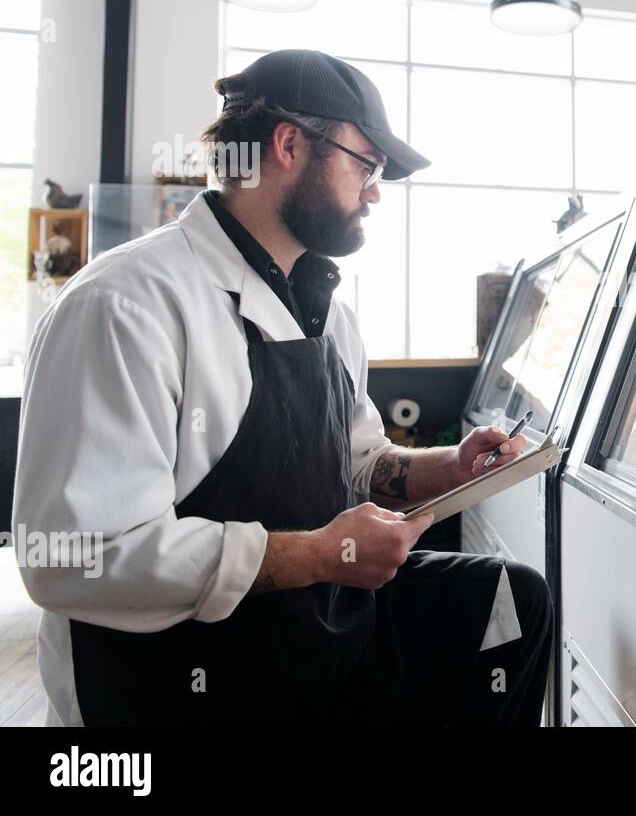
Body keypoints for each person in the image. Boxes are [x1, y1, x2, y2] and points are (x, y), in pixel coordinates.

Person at [13, 49, 554, 726]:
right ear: (290, 145)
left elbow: (361, 462)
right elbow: (76, 560)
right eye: (368, 165)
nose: (377, 191)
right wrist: (320, 554)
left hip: (320, 635)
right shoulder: (127, 303)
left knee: (510, 603)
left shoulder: (329, 314)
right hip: (178, 677)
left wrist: (451, 465)